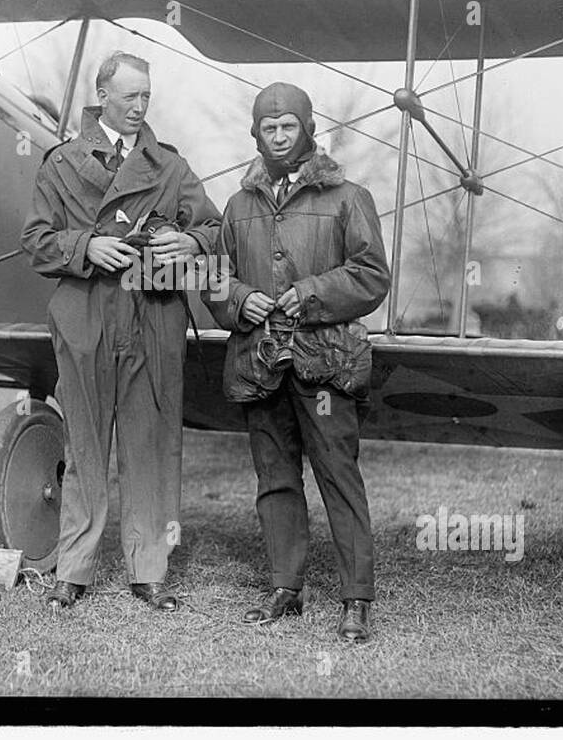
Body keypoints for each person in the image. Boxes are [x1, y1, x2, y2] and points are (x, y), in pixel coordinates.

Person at [21, 52, 222, 612]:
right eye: (130, 96)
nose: (139, 107)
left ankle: (149, 569)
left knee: (151, 443)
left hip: (154, 316)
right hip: (85, 312)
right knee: (85, 444)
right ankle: (74, 568)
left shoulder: (171, 167)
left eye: (147, 97)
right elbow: (36, 240)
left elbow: (212, 225)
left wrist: (190, 243)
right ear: (101, 94)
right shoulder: (61, 163)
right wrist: (86, 246)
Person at [205, 82, 390, 641]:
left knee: (339, 476)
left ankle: (356, 598)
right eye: (269, 127)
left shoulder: (348, 197)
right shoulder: (237, 206)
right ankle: (286, 588)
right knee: (275, 479)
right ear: (255, 133)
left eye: (289, 126)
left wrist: (308, 294)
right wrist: (239, 300)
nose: (279, 136)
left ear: (308, 129)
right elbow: (214, 281)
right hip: (259, 363)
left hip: (326, 364)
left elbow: (372, 276)